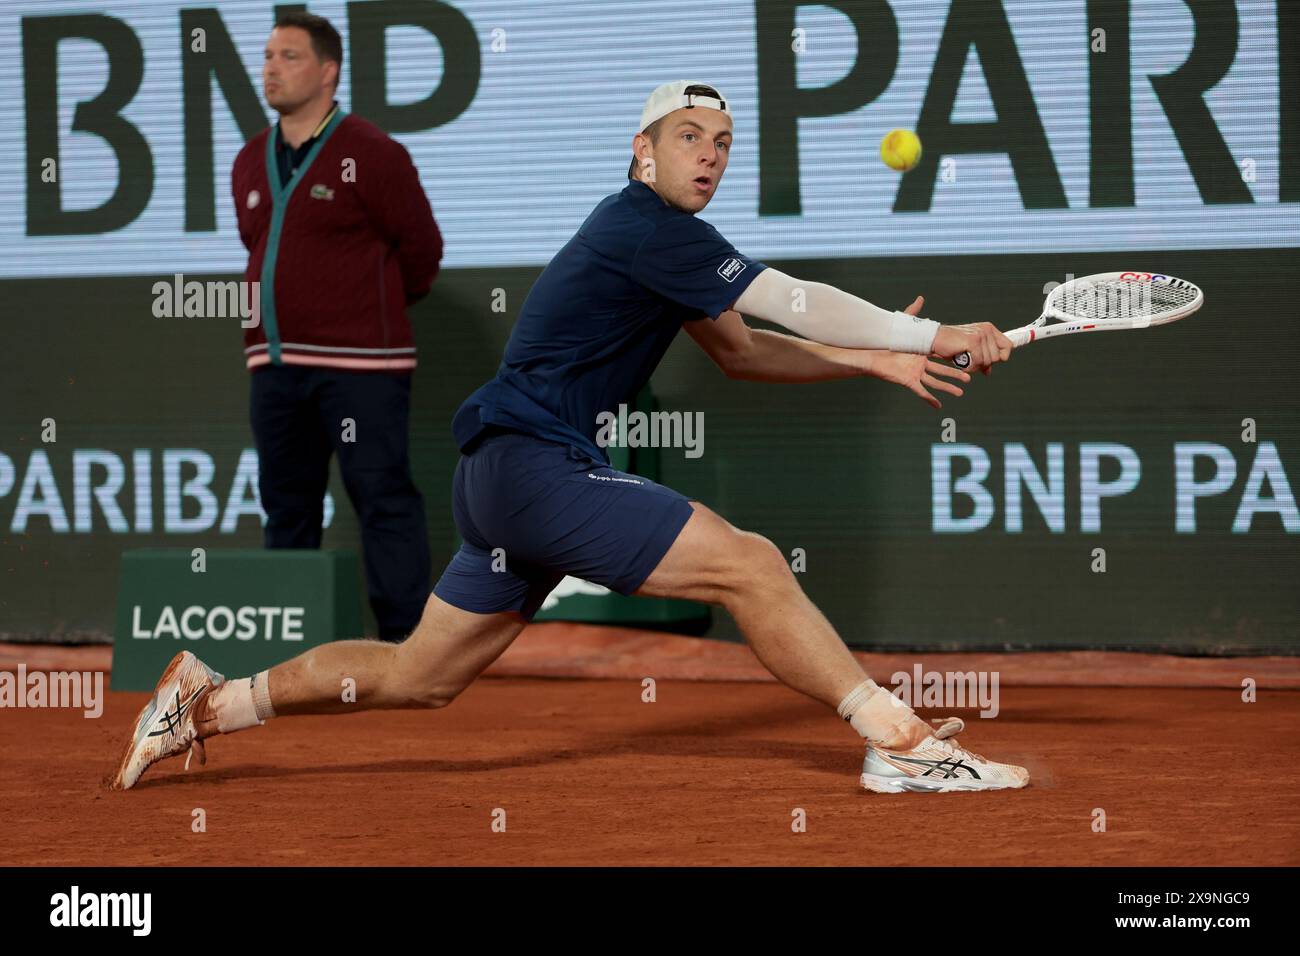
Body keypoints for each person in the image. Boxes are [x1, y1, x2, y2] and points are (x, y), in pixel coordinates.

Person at [112, 81, 1024, 794]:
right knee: (750, 564)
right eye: (689, 137)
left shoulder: (659, 241)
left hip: (504, 478)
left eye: (722, 143)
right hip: (532, 467)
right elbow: (786, 299)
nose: (709, 155)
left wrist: (870, 362)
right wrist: (929, 335)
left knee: (417, 676)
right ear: (643, 150)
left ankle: (209, 701)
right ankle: (897, 741)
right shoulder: (650, 228)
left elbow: (744, 351)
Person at [235, 11, 442, 642]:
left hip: (362, 368)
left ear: (328, 72)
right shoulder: (248, 160)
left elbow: (421, 251)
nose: (270, 68)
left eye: (288, 56)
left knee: (383, 497)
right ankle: (288, 650)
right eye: (267, 55)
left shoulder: (373, 153)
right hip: (274, 366)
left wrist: (361, 314)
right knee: (284, 506)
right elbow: (259, 245)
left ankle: (407, 648)